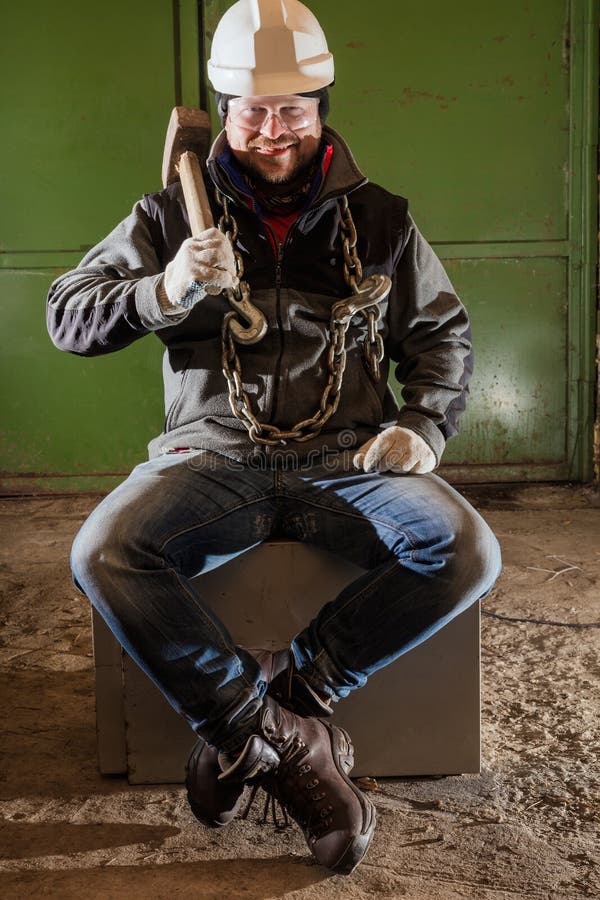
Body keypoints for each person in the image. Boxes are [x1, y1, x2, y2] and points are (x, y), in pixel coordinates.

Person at [47, 0, 501, 875]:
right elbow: (69, 314)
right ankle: (286, 744)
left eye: (293, 109)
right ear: (223, 111)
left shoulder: (380, 220)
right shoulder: (165, 217)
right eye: (253, 111)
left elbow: (441, 332)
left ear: (322, 107)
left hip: (351, 457)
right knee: (106, 552)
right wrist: (166, 289)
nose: (272, 130)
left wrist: (425, 423)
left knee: (464, 552)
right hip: (214, 456)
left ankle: (281, 705)